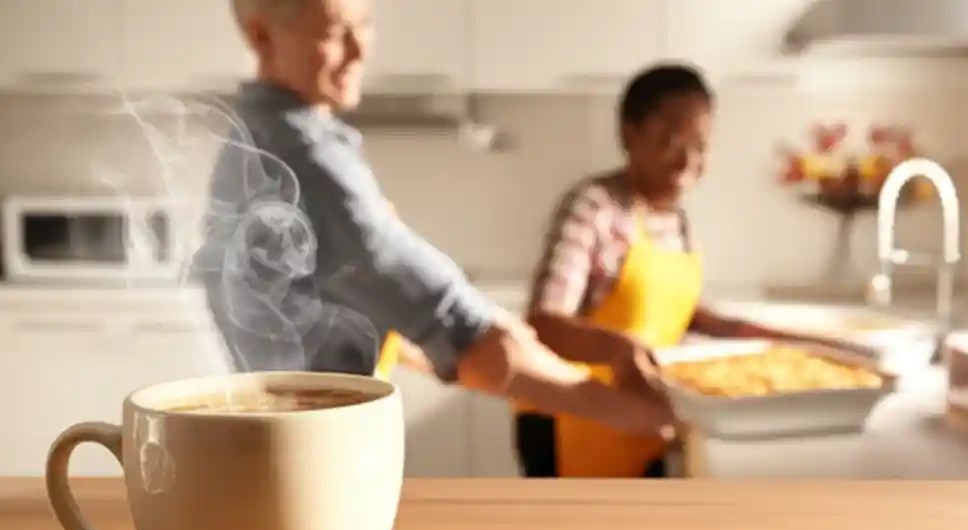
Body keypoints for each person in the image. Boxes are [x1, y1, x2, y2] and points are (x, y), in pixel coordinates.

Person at [194, 0, 675, 443]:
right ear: (261, 38)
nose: (360, 50)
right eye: (336, 32)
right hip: (314, 447)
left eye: (365, 24)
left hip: (281, 439)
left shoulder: (255, 141)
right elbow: (458, 324)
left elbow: (350, 303)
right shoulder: (305, 156)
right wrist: (640, 411)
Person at [516, 64, 870, 479]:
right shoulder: (594, 207)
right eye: (672, 142)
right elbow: (543, 324)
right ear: (629, 134)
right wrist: (621, 351)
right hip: (568, 419)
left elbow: (681, 313)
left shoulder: (676, 219)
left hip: (642, 418)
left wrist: (777, 338)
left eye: (701, 146)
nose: (689, 160)